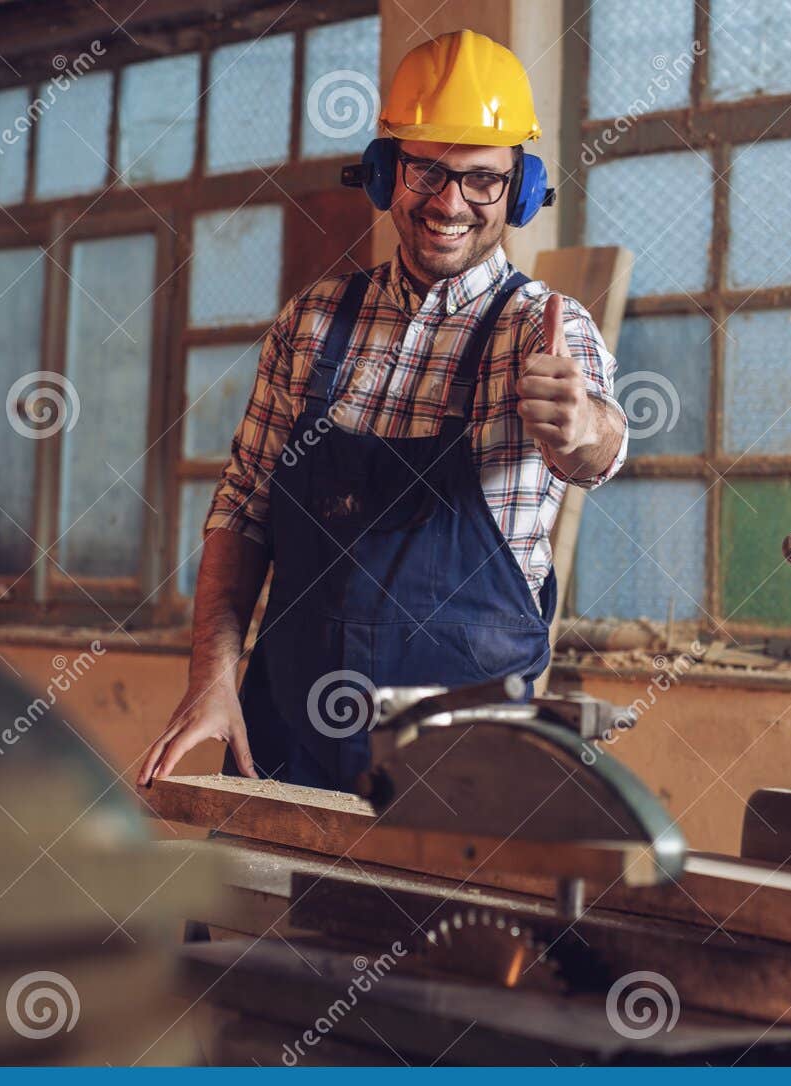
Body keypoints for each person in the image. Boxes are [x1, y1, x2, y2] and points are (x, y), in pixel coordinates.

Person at [138, 28, 627, 792]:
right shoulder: (312, 321)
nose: (449, 202)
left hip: (462, 774)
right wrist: (212, 677)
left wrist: (584, 426)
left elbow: (598, 449)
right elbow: (243, 510)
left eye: (482, 180)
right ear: (382, 171)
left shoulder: (542, 330)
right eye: (425, 170)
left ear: (522, 190)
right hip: (286, 744)